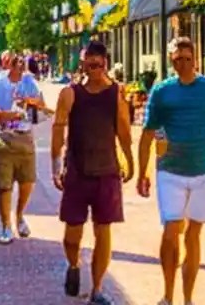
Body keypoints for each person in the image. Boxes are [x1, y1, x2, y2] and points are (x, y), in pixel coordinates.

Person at [136, 37, 205, 305]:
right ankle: (168, 295)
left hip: (203, 170)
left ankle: (188, 298)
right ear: (170, 61)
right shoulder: (162, 92)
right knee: (171, 229)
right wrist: (141, 172)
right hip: (170, 171)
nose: (183, 64)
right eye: (178, 59)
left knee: (193, 234)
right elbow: (146, 134)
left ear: (196, 59)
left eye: (187, 59)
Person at [52, 41, 133, 305]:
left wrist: (130, 160)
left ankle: (97, 288)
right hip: (77, 172)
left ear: (105, 64)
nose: (93, 70)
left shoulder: (116, 93)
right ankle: (73, 264)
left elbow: (123, 129)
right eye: (89, 64)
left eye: (98, 65)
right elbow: (58, 128)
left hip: (107, 172)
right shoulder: (70, 93)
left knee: (103, 230)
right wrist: (56, 164)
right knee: (71, 235)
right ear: (83, 64)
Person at [0, 51, 46, 244]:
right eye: (18, 64)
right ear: (10, 66)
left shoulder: (29, 82)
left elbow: (41, 103)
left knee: (27, 182)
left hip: (26, 137)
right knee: (4, 187)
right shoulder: (0, 83)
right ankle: (6, 226)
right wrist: (6, 115)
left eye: (23, 65)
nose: (21, 68)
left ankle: (20, 215)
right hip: (6, 137)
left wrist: (32, 101)